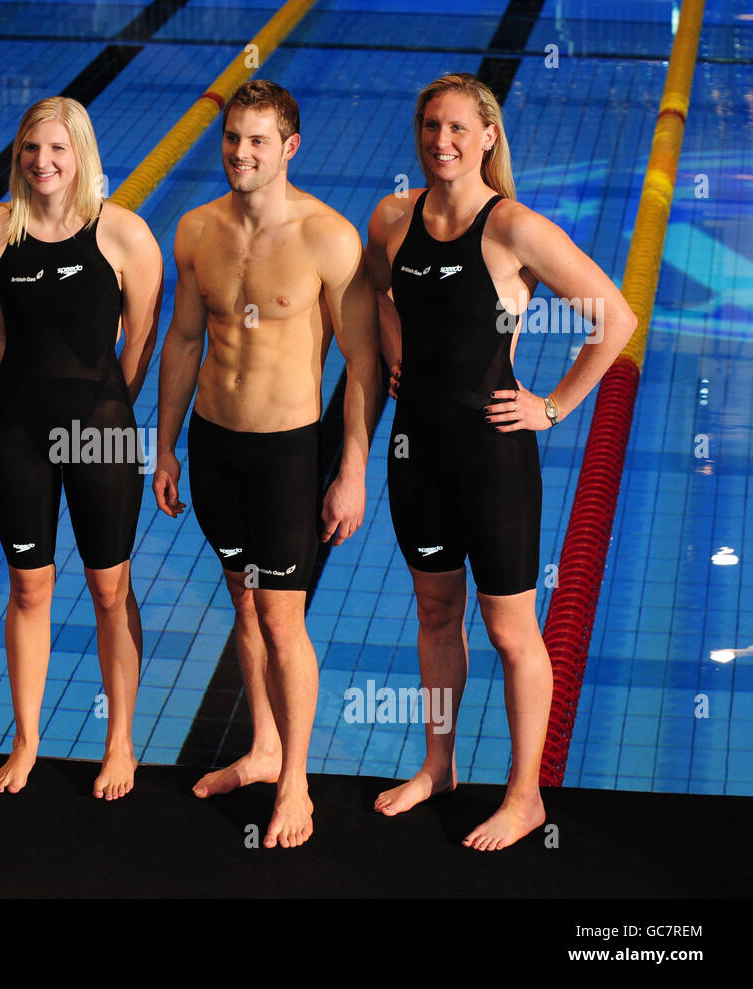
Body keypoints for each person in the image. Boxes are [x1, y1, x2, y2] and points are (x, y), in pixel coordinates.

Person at [365, 73, 636, 850]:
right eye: (429, 127)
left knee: (512, 629)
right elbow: (380, 295)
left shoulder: (513, 226)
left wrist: (550, 406)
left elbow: (614, 318)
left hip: (493, 452)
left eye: (456, 128)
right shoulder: (393, 216)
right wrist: (395, 361)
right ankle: (440, 764)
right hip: (415, 451)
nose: (440, 141)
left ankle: (525, 797)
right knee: (435, 613)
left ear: (488, 136)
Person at [153, 80, 381, 847]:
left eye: (257, 141)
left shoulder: (328, 237)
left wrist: (351, 468)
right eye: (231, 139)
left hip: (289, 452)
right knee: (245, 605)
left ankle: (296, 784)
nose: (240, 153)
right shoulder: (196, 230)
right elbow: (184, 340)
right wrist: (165, 443)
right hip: (218, 447)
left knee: (284, 619)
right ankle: (261, 747)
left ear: (289, 148)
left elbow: (363, 361)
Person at [0, 97, 163, 799]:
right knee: (28, 586)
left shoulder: (125, 235)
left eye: (56, 149)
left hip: (99, 429)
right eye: (29, 150)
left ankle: (120, 742)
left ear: (81, 154)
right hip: (17, 428)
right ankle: (26, 739)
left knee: (110, 588)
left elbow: (139, 342)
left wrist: (106, 411)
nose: (41, 163)